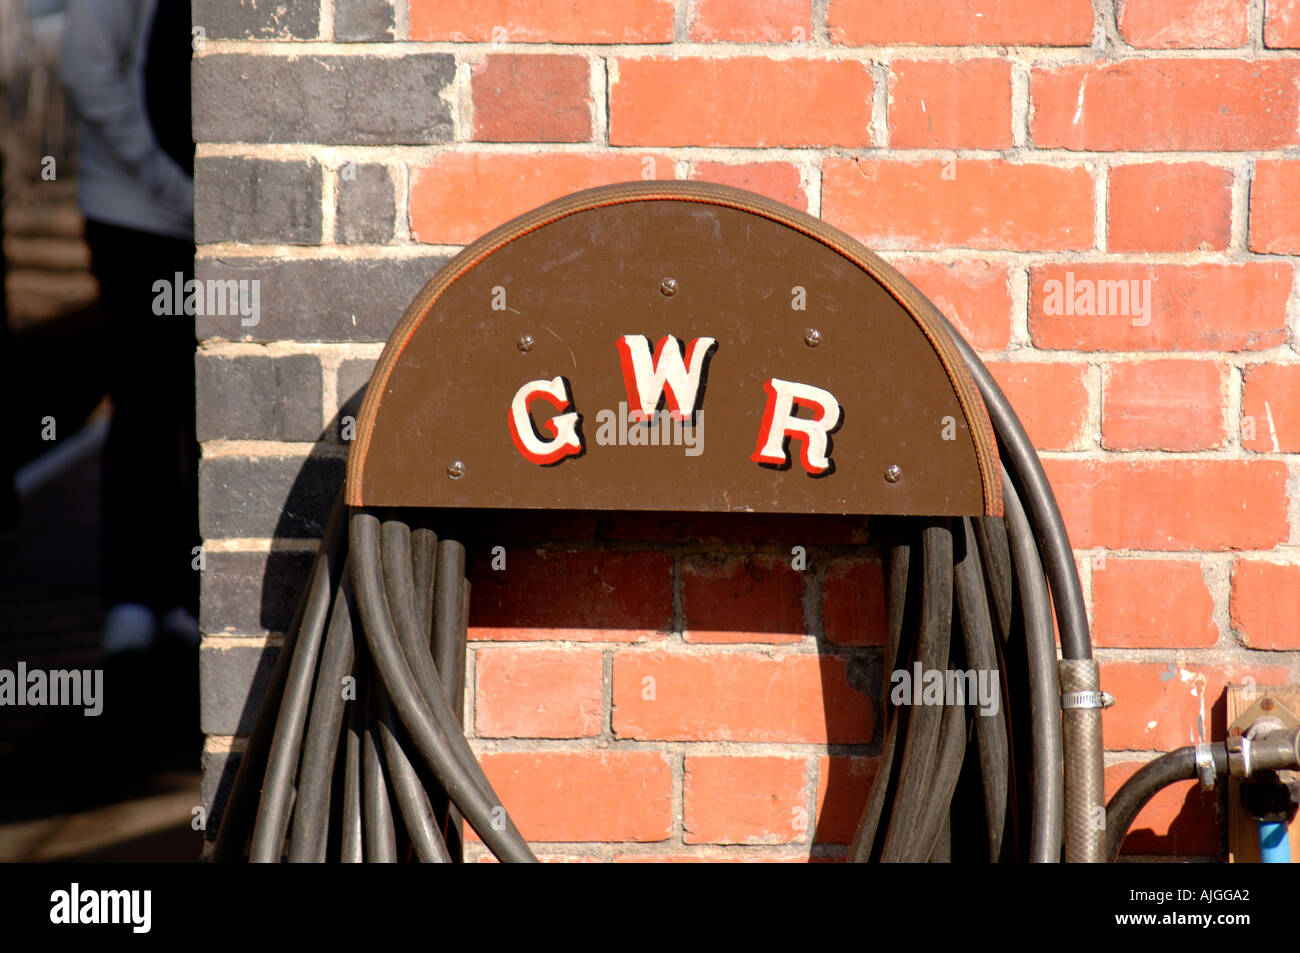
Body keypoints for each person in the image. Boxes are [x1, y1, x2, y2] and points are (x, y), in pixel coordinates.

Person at [61, 0, 198, 655]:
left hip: (202, 218)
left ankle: (191, 593)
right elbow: (88, 72)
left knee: (213, 411)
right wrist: (170, 186)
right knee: (143, 402)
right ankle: (132, 597)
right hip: (134, 221)